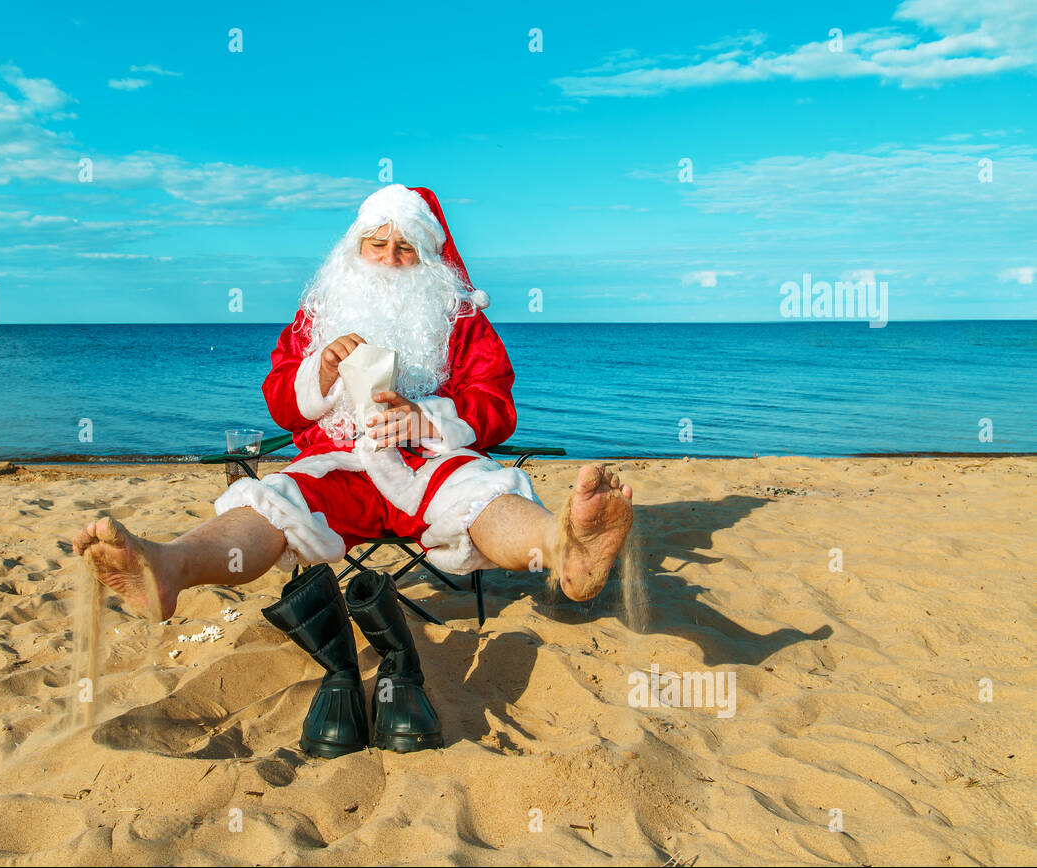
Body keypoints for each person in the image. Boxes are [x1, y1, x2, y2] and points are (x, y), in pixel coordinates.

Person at [72, 183, 634, 756]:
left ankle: (564, 547)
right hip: (337, 462)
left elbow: (496, 404)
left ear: (430, 259)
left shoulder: (459, 318)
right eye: (377, 244)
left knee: (481, 492)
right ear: (354, 249)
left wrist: (426, 419)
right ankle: (168, 566)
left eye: (407, 249)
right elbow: (280, 401)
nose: (390, 260)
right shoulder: (317, 316)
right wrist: (318, 370)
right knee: (278, 499)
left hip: (430, 462)